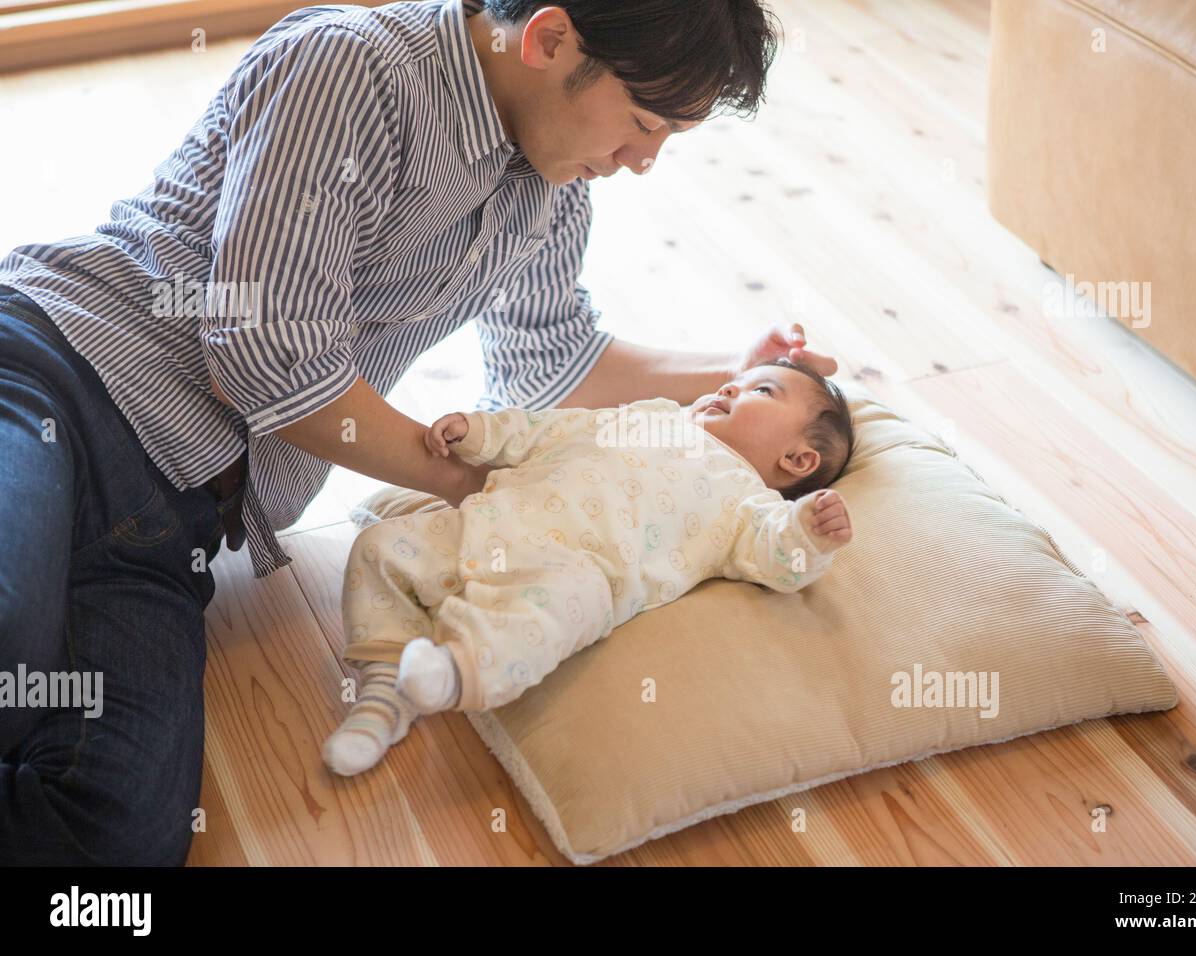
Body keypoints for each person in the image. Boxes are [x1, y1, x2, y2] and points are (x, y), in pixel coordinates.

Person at [0, 0, 835, 863]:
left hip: (172, 528)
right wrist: (479, 488)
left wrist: (746, 376)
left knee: (113, 837)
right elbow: (262, 348)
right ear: (550, 39)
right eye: (644, 123)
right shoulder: (354, 69)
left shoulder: (551, 185)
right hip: (55, 377)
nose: (643, 162)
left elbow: (554, 364)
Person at [324, 359, 855, 776]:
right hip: (488, 523)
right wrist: (482, 431)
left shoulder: (749, 501)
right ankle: (382, 692)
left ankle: (454, 674)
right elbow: (553, 428)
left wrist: (808, 532)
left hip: (574, 570)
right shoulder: (652, 415)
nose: (732, 388)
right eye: (737, 380)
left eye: (761, 391)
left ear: (798, 460)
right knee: (380, 546)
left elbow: (778, 558)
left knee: (554, 612)